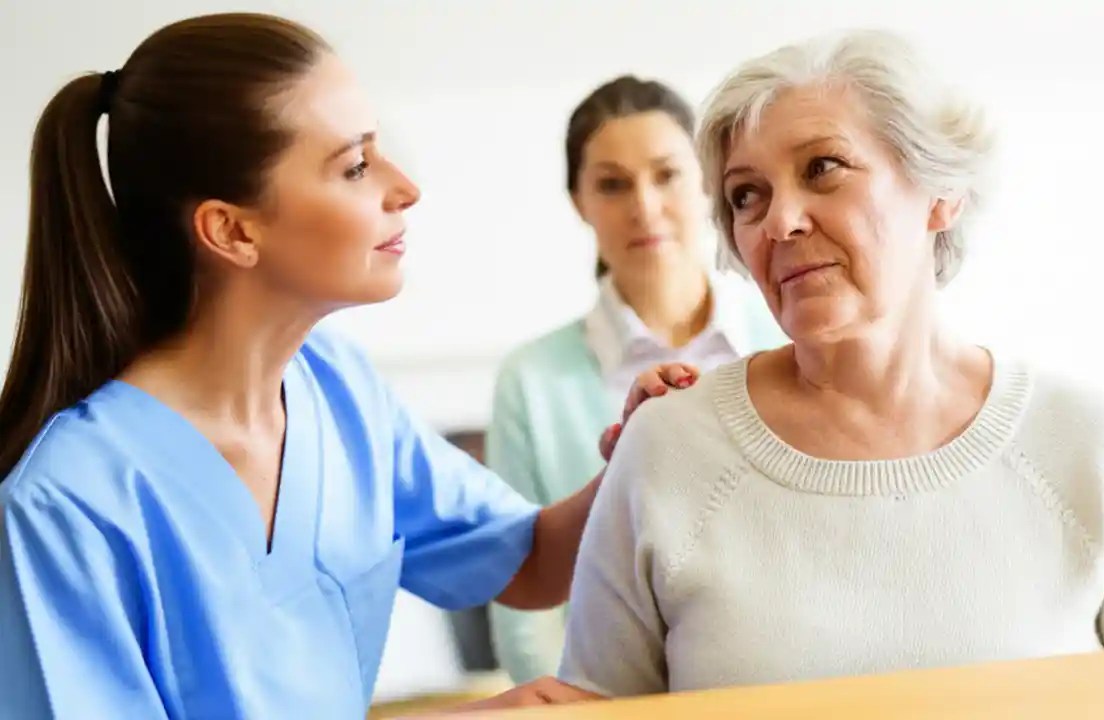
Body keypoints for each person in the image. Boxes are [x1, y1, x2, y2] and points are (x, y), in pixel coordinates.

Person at [0, 13, 672, 718]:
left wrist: (650, 449)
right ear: (231, 229)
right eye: (355, 166)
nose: (404, 187)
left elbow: (526, 560)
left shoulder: (336, 388)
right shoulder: (67, 504)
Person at [556, 29, 1104, 698]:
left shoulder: (1093, 445)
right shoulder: (667, 447)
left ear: (941, 191)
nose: (778, 221)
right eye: (745, 195)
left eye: (823, 167)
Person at [485, 75, 785, 683]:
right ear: (579, 202)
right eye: (613, 184)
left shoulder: (787, 332)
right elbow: (521, 606)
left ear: (707, 181)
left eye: (666, 174)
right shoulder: (532, 380)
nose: (643, 206)